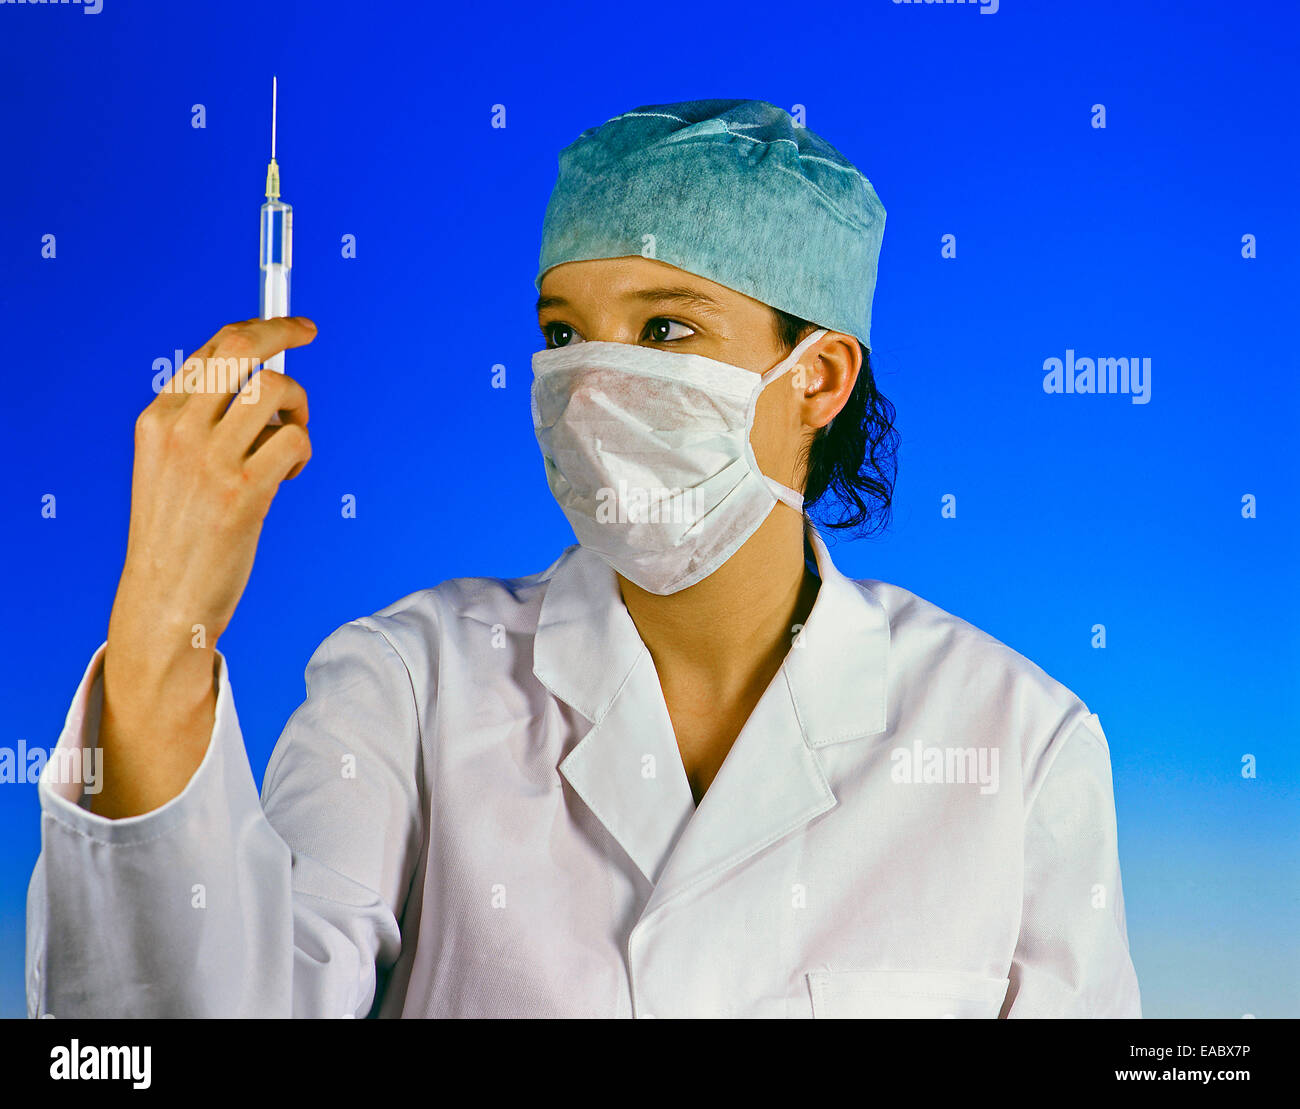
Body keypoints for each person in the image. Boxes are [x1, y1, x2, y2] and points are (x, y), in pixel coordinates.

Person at [26, 99, 1141, 1018]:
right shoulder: (411, 682)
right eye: (563, 333)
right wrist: (161, 619)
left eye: (664, 329)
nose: (592, 383)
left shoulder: (1017, 741)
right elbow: (180, 1018)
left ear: (818, 377)